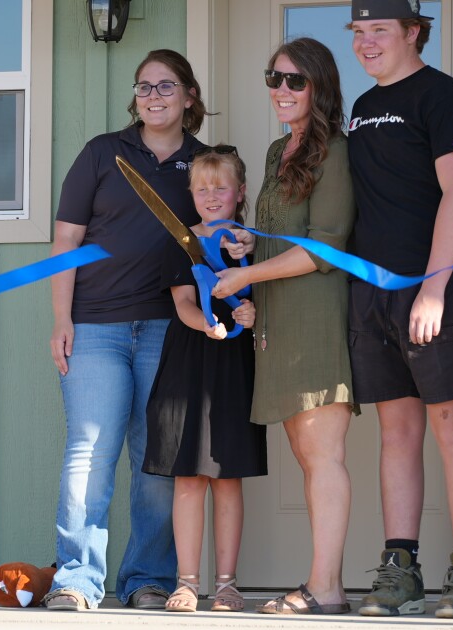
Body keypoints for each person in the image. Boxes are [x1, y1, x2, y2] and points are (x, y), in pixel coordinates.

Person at [344, 0, 453, 619]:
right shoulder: (359, 109)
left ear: (413, 32)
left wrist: (433, 289)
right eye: (357, 32)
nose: (366, 42)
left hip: (440, 289)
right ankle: (399, 569)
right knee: (396, 433)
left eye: (379, 29)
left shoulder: (445, 97)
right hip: (372, 294)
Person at [44, 49, 209, 612]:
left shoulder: (206, 164)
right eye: (145, 86)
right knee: (88, 451)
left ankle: (148, 580)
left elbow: (220, 237)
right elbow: (64, 242)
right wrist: (61, 319)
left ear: (190, 96)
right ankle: (76, 579)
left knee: (157, 459)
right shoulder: (103, 154)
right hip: (94, 327)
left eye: (167, 86)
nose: (154, 96)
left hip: (171, 329)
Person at [210, 37, 357, 616]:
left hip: (315, 313)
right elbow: (281, 232)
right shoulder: (277, 152)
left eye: (296, 80)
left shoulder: (335, 151)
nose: (282, 90)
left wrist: (245, 279)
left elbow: (325, 248)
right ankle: (323, 584)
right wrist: (251, 242)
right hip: (276, 319)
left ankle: (325, 588)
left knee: (323, 454)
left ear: (319, 86)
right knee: (307, 453)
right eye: (274, 77)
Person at [142, 146, 267, 613]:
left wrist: (249, 313)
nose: (212, 195)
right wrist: (207, 325)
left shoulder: (251, 242)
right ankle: (188, 582)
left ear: (239, 192)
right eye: (202, 188)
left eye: (221, 187)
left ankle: (228, 584)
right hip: (190, 360)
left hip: (234, 364)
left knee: (227, 476)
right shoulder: (180, 239)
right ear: (191, 194)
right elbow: (183, 304)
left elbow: (258, 296)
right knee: (189, 478)